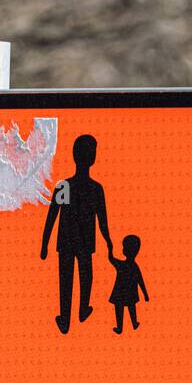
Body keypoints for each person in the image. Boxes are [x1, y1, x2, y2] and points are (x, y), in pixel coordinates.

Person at [40, 134, 113, 334]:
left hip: (66, 241)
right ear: (92, 157)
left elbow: (52, 217)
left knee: (66, 280)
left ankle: (65, 319)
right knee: (86, 275)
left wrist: (45, 244)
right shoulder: (95, 188)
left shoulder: (65, 186)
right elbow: (103, 221)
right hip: (85, 242)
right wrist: (108, 242)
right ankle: (83, 309)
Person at [108, 234, 149, 333]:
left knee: (119, 308)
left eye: (124, 247)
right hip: (130, 292)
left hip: (120, 292)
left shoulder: (122, 265)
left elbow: (111, 259)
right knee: (131, 306)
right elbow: (140, 281)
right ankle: (134, 323)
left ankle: (120, 328)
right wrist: (145, 294)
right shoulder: (134, 266)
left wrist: (110, 249)